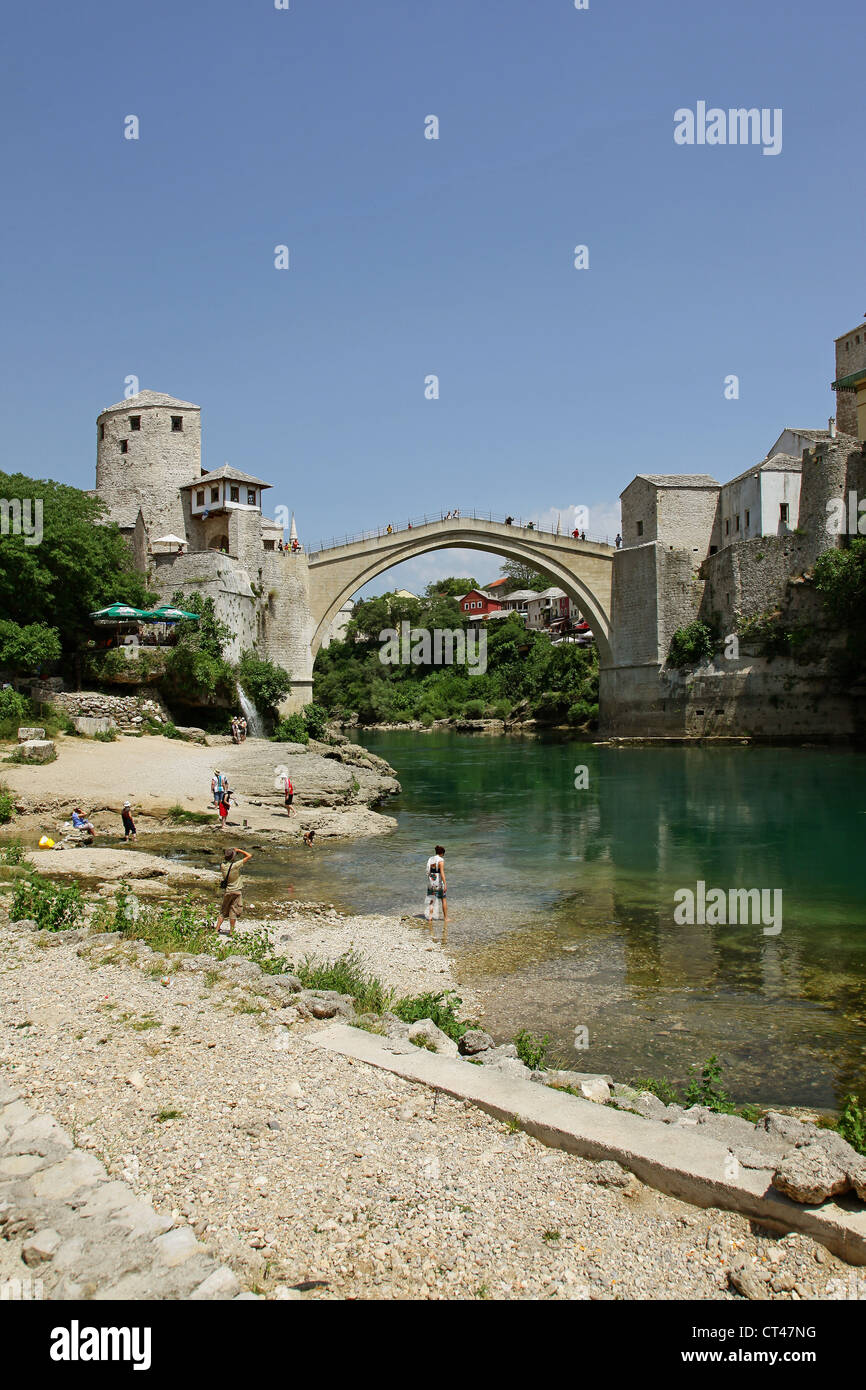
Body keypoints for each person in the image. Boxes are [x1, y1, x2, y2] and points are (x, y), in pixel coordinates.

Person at [215, 847, 253, 937]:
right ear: (233, 857)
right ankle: (231, 932)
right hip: (237, 891)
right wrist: (239, 850)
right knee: (234, 911)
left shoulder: (222, 866)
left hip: (228, 891)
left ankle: (216, 929)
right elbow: (249, 855)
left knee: (223, 911)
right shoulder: (236, 865)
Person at [424, 844, 447, 923]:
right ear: (442, 853)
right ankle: (446, 918)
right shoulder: (441, 860)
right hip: (438, 883)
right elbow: (442, 873)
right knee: (443, 899)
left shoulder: (430, 859)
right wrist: (445, 884)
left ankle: (430, 917)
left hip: (431, 882)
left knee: (432, 900)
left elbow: (428, 871)